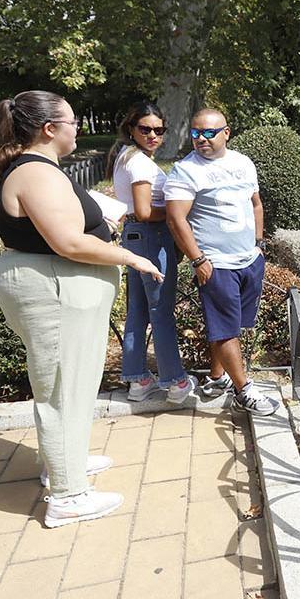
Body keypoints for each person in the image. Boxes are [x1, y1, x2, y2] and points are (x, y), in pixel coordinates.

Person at [0, 90, 164, 528]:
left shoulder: (39, 169)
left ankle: (64, 462)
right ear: (49, 129)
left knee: (69, 382)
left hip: (60, 287)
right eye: (72, 121)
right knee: (64, 385)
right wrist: (130, 257)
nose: (78, 128)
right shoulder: (35, 173)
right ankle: (67, 494)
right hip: (54, 288)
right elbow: (66, 242)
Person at [164, 108, 279, 416]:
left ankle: (217, 378)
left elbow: (255, 203)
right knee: (226, 329)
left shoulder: (243, 163)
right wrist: (198, 259)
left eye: (208, 133)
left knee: (230, 325)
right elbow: (176, 219)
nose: (201, 139)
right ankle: (245, 391)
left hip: (249, 259)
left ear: (226, 133)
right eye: (195, 133)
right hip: (216, 264)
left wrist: (259, 244)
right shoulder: (186, 171)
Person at [108, 102, 193, 403]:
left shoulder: (126, 157)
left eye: (159, 130)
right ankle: (175, 381)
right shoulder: (140, 163)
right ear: (132, 129)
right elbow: (144, 211)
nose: (153, 135)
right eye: (145, 129)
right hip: (149, 237)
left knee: (140, 310)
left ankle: (137, 379)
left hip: (136, 237)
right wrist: (176, 213)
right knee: (161, 310)